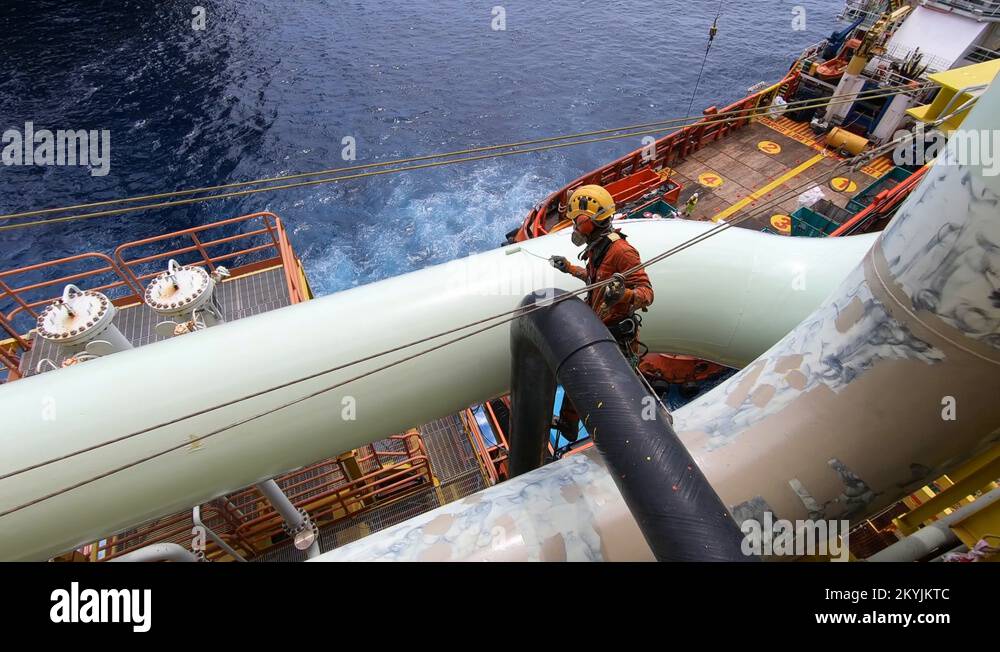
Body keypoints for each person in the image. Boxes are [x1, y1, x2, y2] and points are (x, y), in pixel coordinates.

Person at [549, 184, 654, 440]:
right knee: (582, 377)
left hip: (618, 336)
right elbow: (597, 280)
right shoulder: (600, 247)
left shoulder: (621, 252)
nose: (574, 227)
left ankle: (639, 431)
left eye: (576, 222)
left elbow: (647, 293)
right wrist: (570, 268)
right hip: (601, 327)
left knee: (613, 385)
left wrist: (624, 296)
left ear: (588, 222)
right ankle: (569, 424)